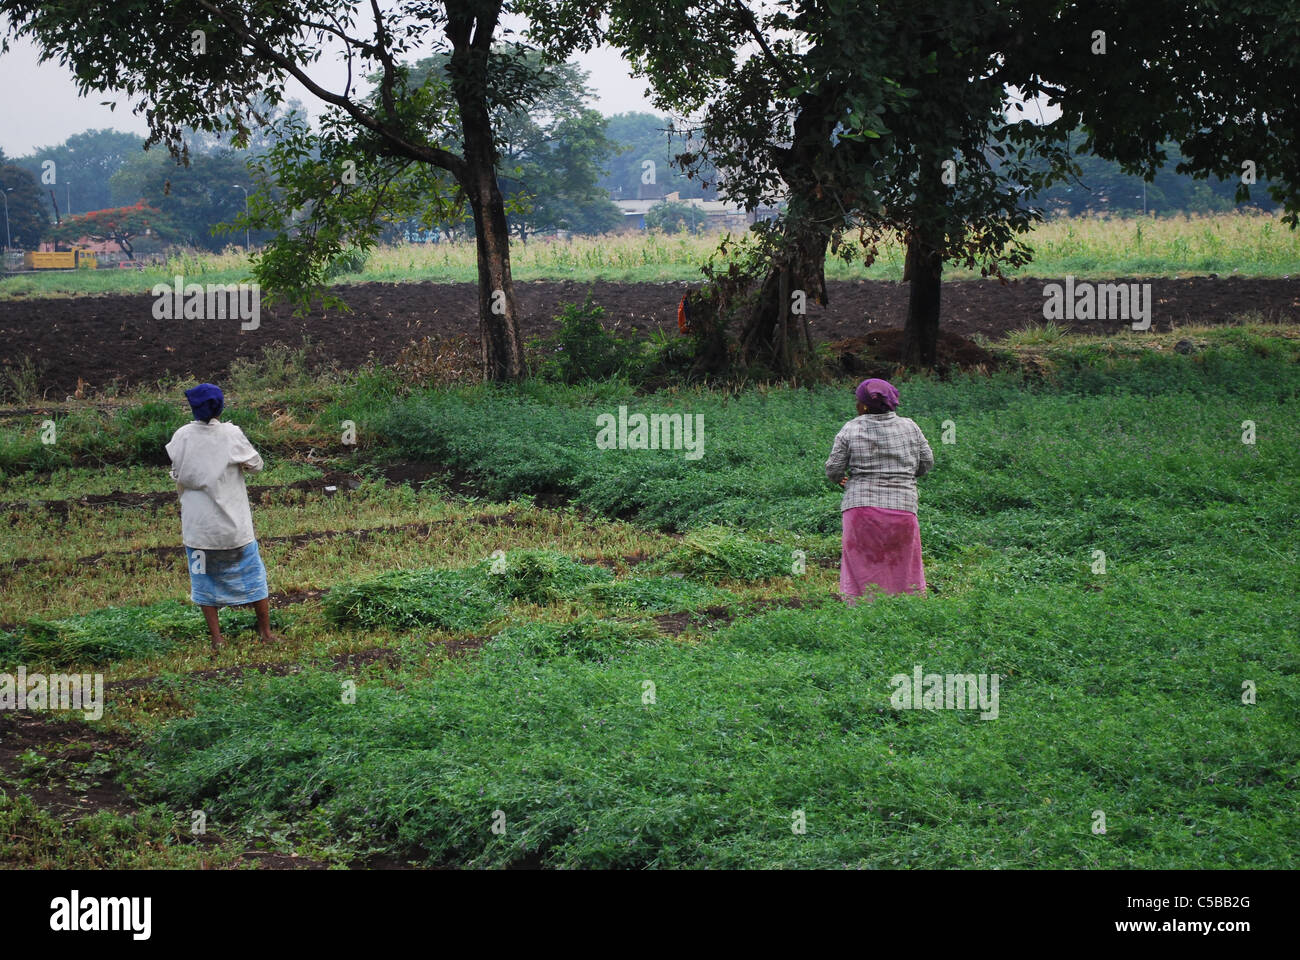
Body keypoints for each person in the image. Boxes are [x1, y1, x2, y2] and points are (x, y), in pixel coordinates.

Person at [165, 383, 279, 649]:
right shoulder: (231, 433)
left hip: (198, 531)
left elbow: (176, 469)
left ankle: (217, 639)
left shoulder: (181, 436)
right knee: (254, 576)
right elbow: (256, 465)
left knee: (203, 581)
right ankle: (265, 633)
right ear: (220, 406)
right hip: (234, 530)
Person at [824, 378, 934, 604]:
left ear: (864, 406)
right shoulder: (910, 427)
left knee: (862, 566)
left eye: (857, 401)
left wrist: (840, 480)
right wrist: (904, 477)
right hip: (903, 507)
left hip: (860, 509)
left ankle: (861, 613)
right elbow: (927, 463)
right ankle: (905, 611)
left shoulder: (851, 428)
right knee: (902, 565)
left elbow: (834, 469)